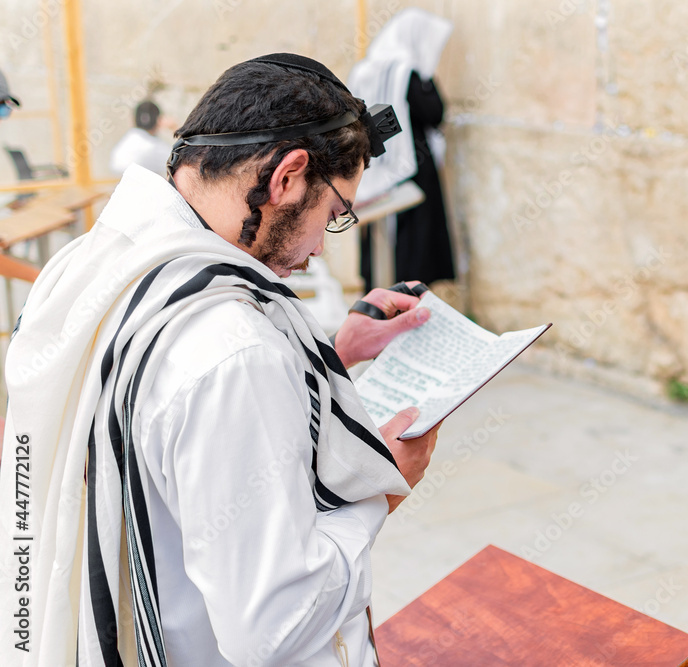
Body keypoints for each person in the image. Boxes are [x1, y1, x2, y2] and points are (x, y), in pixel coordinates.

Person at [0, 53, 441, 666]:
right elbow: (274, 629)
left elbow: (153, 418)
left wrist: (333, 354)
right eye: (334, 214)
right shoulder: (234, 352)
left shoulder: (89, 263)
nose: (318, 248)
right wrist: (383, 488)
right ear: (287, 177)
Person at [349, 8, 456, 290]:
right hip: (413, 164)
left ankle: (380, 293)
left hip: (375, 163)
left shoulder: (365, 69)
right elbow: (434, 113)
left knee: (381, 240)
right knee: (415, 241)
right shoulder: (407, 72)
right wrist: (427, 77)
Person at [108, 100, 174, 177]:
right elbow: (180, 162)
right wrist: (175, 129)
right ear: (159, 121)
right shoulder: (153, 146)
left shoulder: (127, 140)